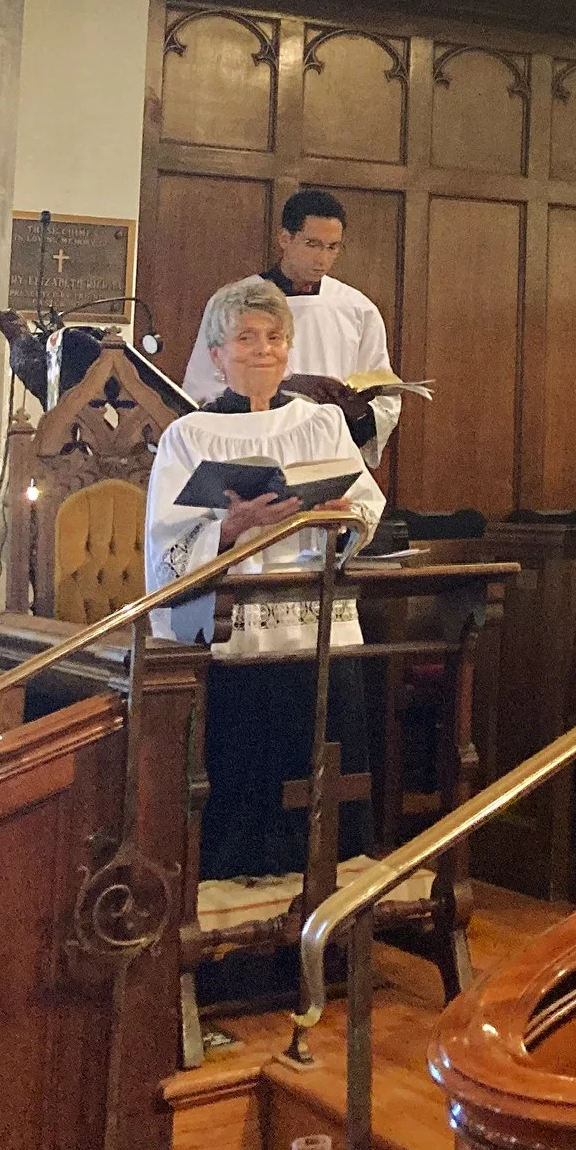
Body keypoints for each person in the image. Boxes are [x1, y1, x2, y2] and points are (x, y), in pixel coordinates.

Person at [145, 275, 388, 879]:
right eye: (246, 338)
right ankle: (230, 905)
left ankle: (328, 901)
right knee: (243, 790)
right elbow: (166, 546)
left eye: (275, 337)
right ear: (216, 355)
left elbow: (367, 507)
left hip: (319, 630)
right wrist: (233, 526)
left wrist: (342, 516)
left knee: (320, 780)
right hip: (235, 640)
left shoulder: (323, 424)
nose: (263, 349)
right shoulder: (189, 435)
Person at [183, 188, 401, 466]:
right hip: (250, 450)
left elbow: (383, 401)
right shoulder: (233, 303)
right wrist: (284, 387)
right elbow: (203, 388)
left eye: (332, 247)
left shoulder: (358, 309)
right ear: (285, 239)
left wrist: (356, 411)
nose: (322, 258)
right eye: (312, 244)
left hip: (327, 452)